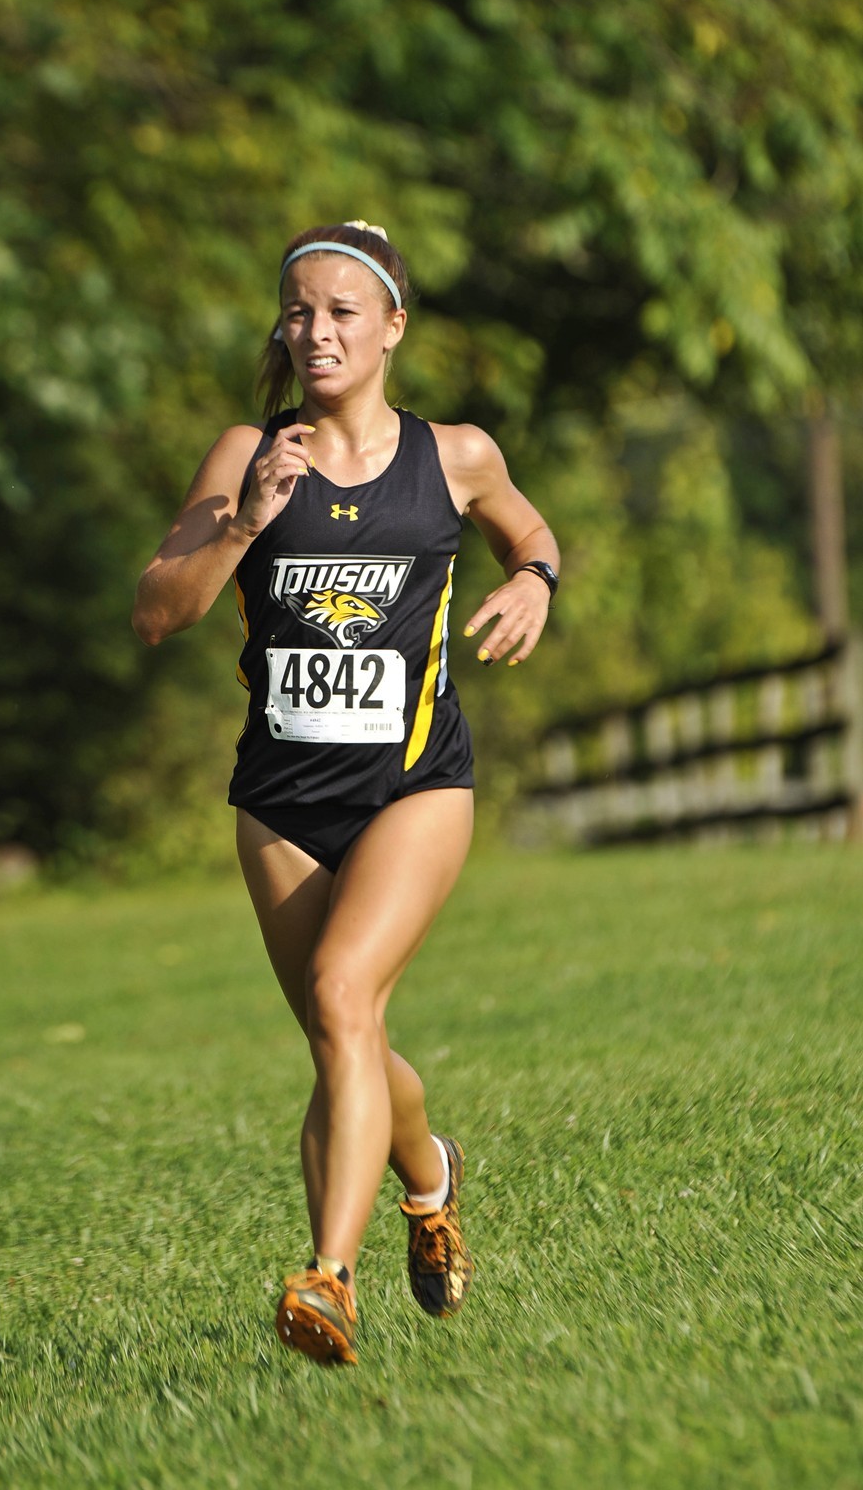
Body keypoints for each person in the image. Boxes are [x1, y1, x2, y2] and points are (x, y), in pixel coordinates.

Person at [132, 221, 559, 1367]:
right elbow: (157, 610)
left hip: (416, 785)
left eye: (340, 312)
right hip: (280, 797)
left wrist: (536, 582)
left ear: (391, 328)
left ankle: (329, 1279)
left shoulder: (453, 453)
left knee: (339, 992)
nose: (314, 332)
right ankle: (431, 1174)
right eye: (298, 313)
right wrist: (246, 521)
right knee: (346, 1030)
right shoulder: (244, 451)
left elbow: (527, 527)